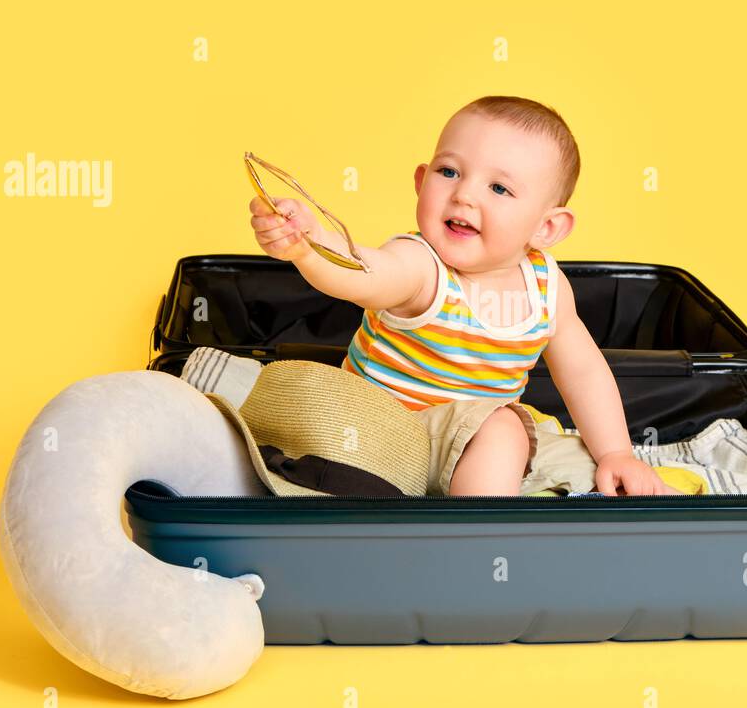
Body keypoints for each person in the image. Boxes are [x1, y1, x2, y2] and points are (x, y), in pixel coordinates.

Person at [249, 96, 669, 497]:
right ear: (421, 181)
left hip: (469, 448)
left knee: (558, 452)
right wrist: (310, 245)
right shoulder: (420, 266)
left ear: (546, 228)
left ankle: (480, 519)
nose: (464, 195)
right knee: (504, 428)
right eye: (449, 172)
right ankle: (473, 535)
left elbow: (584, 373)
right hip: (381, 438)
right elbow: (365, 274)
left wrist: (616, 453)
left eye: (499, 189)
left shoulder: (546, 286)